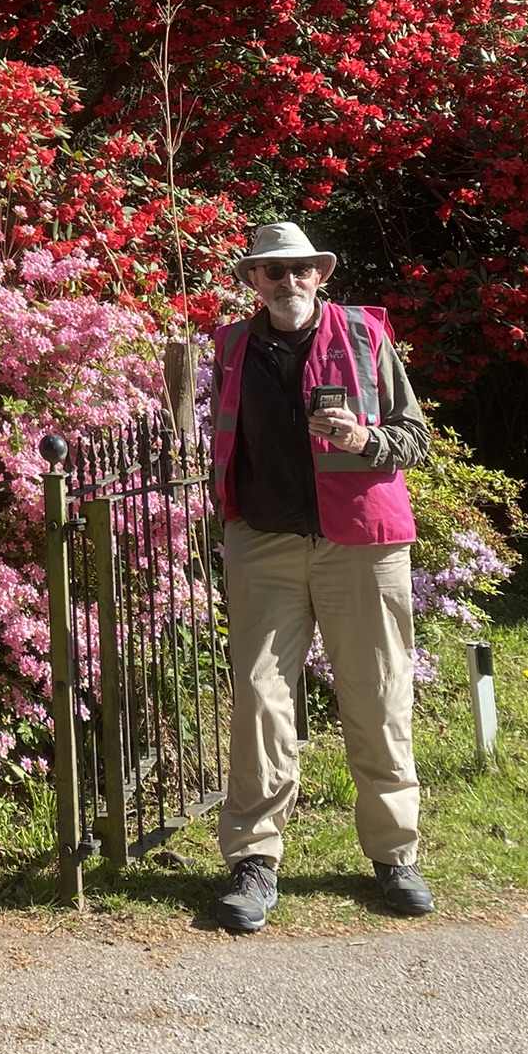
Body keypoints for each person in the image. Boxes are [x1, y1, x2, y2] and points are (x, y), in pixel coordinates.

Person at [209, 223, 433, 933]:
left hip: (361, 544)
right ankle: (254, 859)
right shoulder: (229, 347)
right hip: (263, 544)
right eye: (273, 271)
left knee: (377, 697)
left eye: (299, 269)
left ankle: (395, 856)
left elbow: (414, 436)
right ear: (253, 281)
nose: (288, 281)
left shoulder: (366, 336)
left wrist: (366, 440)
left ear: (320, 274)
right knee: (258, 698)